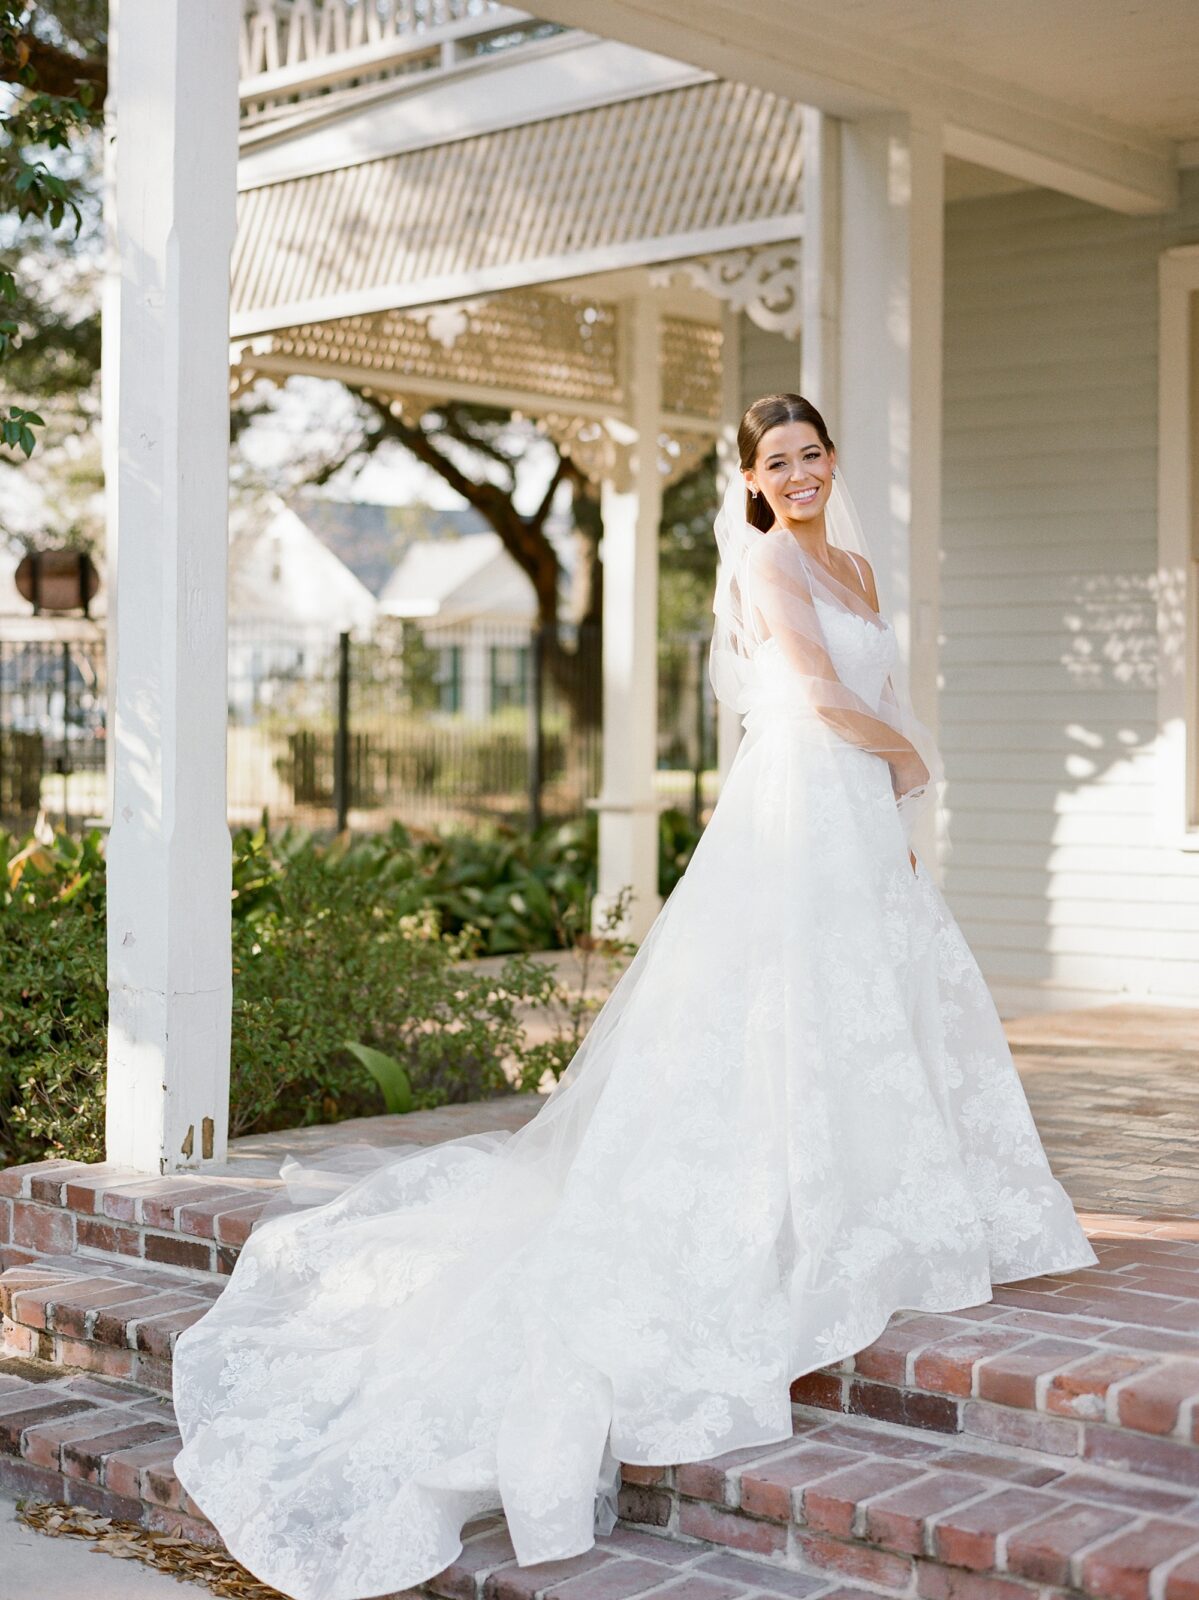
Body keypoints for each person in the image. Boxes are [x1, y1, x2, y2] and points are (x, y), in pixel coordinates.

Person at [172, 393, 1097, 1600]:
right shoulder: (768, 562)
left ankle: (889, 1194)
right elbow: (816, 689)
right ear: (752, 482)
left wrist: (894, 810)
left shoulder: (856, 559)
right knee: (787, 1010)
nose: (801, 472)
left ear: (831, 459)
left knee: (880, 1003)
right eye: (778, 461)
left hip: (856, 813)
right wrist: (909, 760)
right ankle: (785, 1193)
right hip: (800, 809)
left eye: (812, 452)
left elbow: (868, 677)